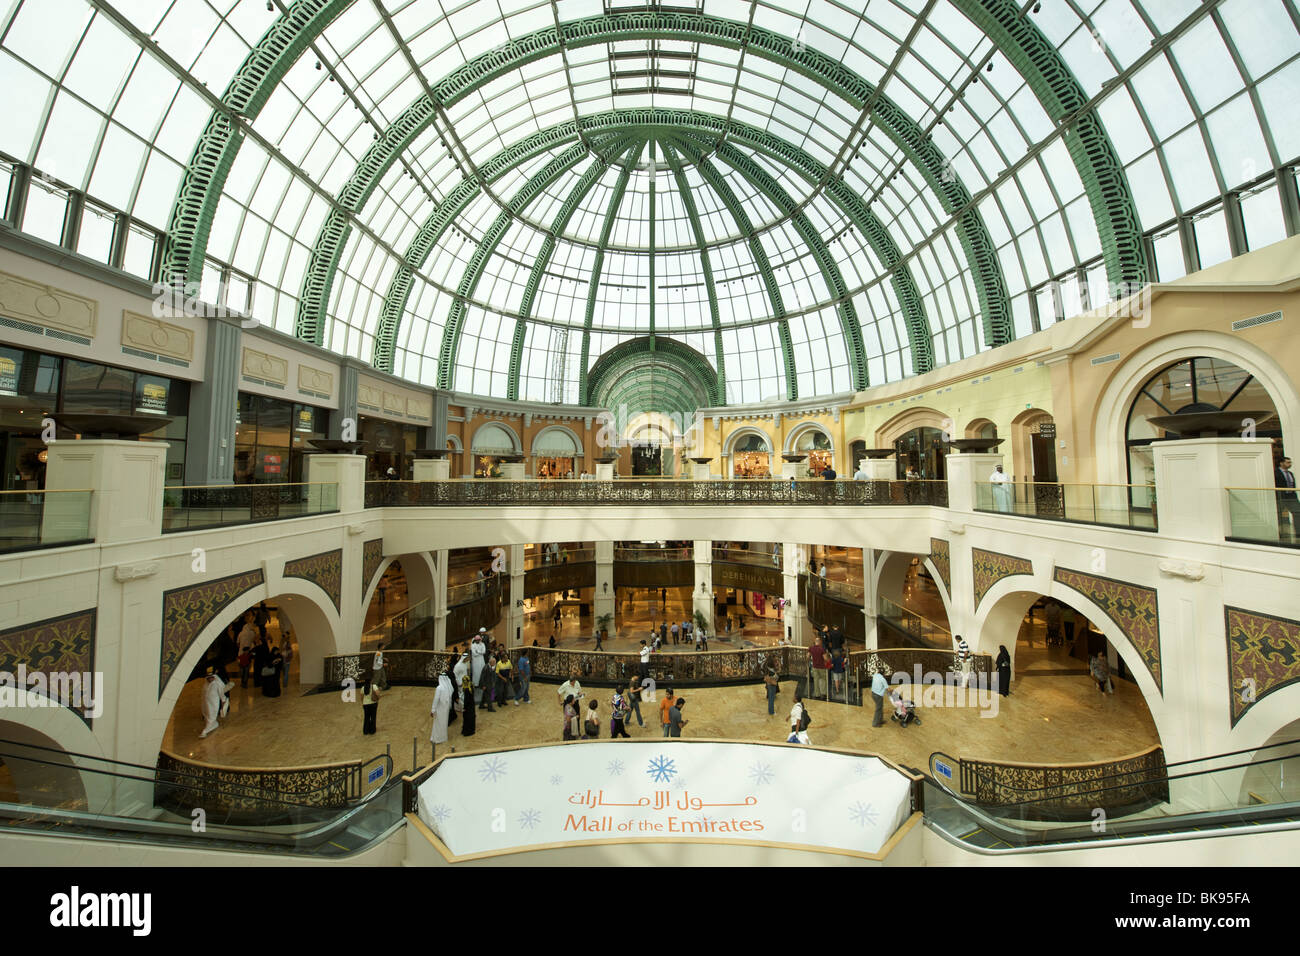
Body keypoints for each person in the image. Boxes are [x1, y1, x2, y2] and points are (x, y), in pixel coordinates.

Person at [430, 669, 454, 761]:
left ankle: (437, 738)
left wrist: (433, 710)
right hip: (446, 708)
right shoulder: (448, 686)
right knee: (443, 723)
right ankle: (443, 737)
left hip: (440, 709)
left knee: (438, 723)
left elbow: (436, 700)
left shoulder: (439, 688)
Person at [199, 668, 230, 738]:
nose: (210, 679)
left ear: (214, 677)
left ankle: (204, 732)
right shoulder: (205, 685)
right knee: (209, 718)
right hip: (206, 705)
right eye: (208, 678)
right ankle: (215, 724)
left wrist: (223, 706)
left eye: (211, 678)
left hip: (213, 705)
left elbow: (222, 696)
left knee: (211, 717)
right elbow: (203, 696)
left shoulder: (217, 684)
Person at [1277, 457, 1299, 537]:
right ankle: (1283, 534)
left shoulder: (1290, 473)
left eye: (1290, 462)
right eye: (1288, 462)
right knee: (1282, 516)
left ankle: (1298, 533)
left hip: (1292, 497)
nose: (1290, 464)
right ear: (1281, 463)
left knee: (1298, 513)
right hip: (1282, 498)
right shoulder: (1276, 473)